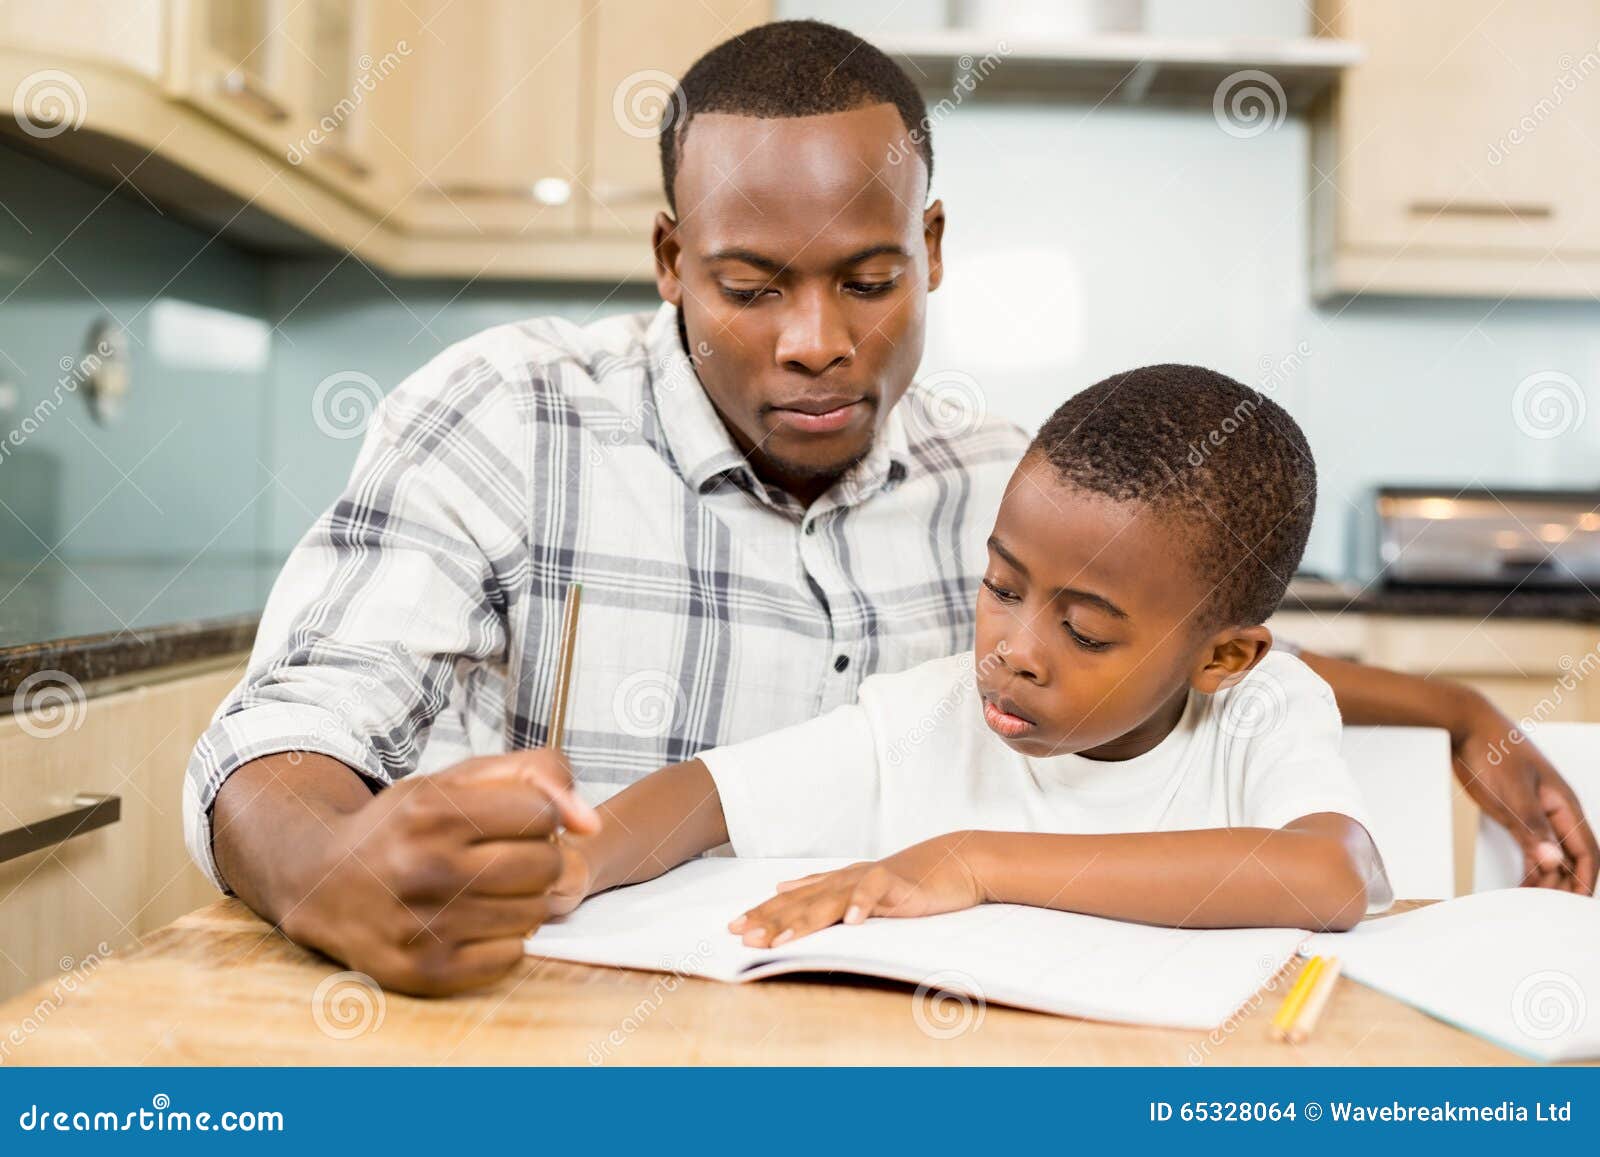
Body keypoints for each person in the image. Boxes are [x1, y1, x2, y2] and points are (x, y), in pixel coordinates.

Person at [186, 20, 1593, 996]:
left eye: (868, 281)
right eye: (750, 286)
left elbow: (1181, 652)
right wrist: (326, 871)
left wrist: (1463, 708)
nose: (815, 341)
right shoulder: (505, 414)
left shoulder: (1006, 482)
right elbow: (292, 728)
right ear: (672, 259)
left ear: (929, 247)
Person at [551, 366, 1394, 939]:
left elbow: (1330, 873)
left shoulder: (1262, 707)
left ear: (1223, 660)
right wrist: (578, 860)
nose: (1013, 652)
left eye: (1087, 632)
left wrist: (976, 859)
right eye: (1002, 586)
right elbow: (708, 795)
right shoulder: (931, 714)